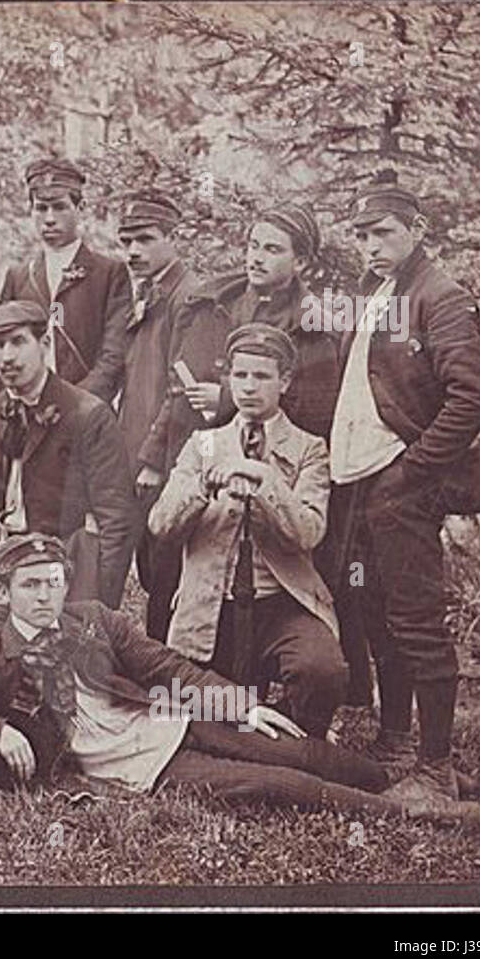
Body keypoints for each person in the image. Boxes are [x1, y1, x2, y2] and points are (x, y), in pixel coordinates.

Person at [0, 534, 480, 834]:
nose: (45, 597)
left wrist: (239, 705)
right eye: (30, 585)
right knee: (274, 784)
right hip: (134, 764)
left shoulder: (93, 618)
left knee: (292, 748)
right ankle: (416, 812)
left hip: (166, 719)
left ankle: (399, 776)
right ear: (4, 590)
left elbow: (165, 667)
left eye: (53, 583)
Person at [325, 170, 480, 802]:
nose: (370, 244)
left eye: (384, 232)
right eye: (363, 234)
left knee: (417, 620)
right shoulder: (379, 288)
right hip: (363, 480)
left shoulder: (439, 295)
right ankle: (397, 742)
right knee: (377, 614)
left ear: (418, 229)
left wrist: (413, 468)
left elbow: (475, 396)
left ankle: (434, 767)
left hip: (402, 486)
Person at [136, 202, 339, 640]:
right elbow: (178, 384)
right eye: (252, 245)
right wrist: (154, 457)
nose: (255, 257)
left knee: (253, 577)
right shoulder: (212, 303)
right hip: (194, 456)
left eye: (271, 249)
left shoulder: (314, 327)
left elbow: (313, 411)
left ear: (300, 260)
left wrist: (226, 398)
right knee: (167, 565)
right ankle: (165, 669)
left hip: (267, 474)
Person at [148, 324, 346, 739]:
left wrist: (263, 478)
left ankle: (298, 735)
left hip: (281, 602)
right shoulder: (205, 443)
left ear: (285, 381)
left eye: (262, 376)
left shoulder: (310, 448)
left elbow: (309, 532)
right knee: (194, 721)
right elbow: (161, 524)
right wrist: (204, 486)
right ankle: (251, 724)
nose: (248, 387)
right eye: (239, 375)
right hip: (209, 604)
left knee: (322, 671)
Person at [0, 300, 135, 640]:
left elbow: (117, 520)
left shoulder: (87, 414)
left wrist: (98, 607)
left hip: (54, 558)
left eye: (18, 342)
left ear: (44, 345)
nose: (7, 357)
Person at [94, 190, 202, 634]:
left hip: (165, 459)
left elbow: (184, 388)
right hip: (132, 452)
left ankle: (162, 662)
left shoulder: (188, 297)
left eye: (145, 239)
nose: (134, 251)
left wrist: (155, 458)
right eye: (126, 241)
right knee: (125, 558)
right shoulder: (146, 294)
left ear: (172, 238)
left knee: (163, 571)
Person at [0, 158, 132, 398]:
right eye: (41, 208)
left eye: (59, 207)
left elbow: (114, 357)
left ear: (80, 209)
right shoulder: (18, 276)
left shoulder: (109, 274)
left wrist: (74, 404)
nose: (49, 218)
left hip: (87, 412)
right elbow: (3, 346)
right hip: (28, 410)